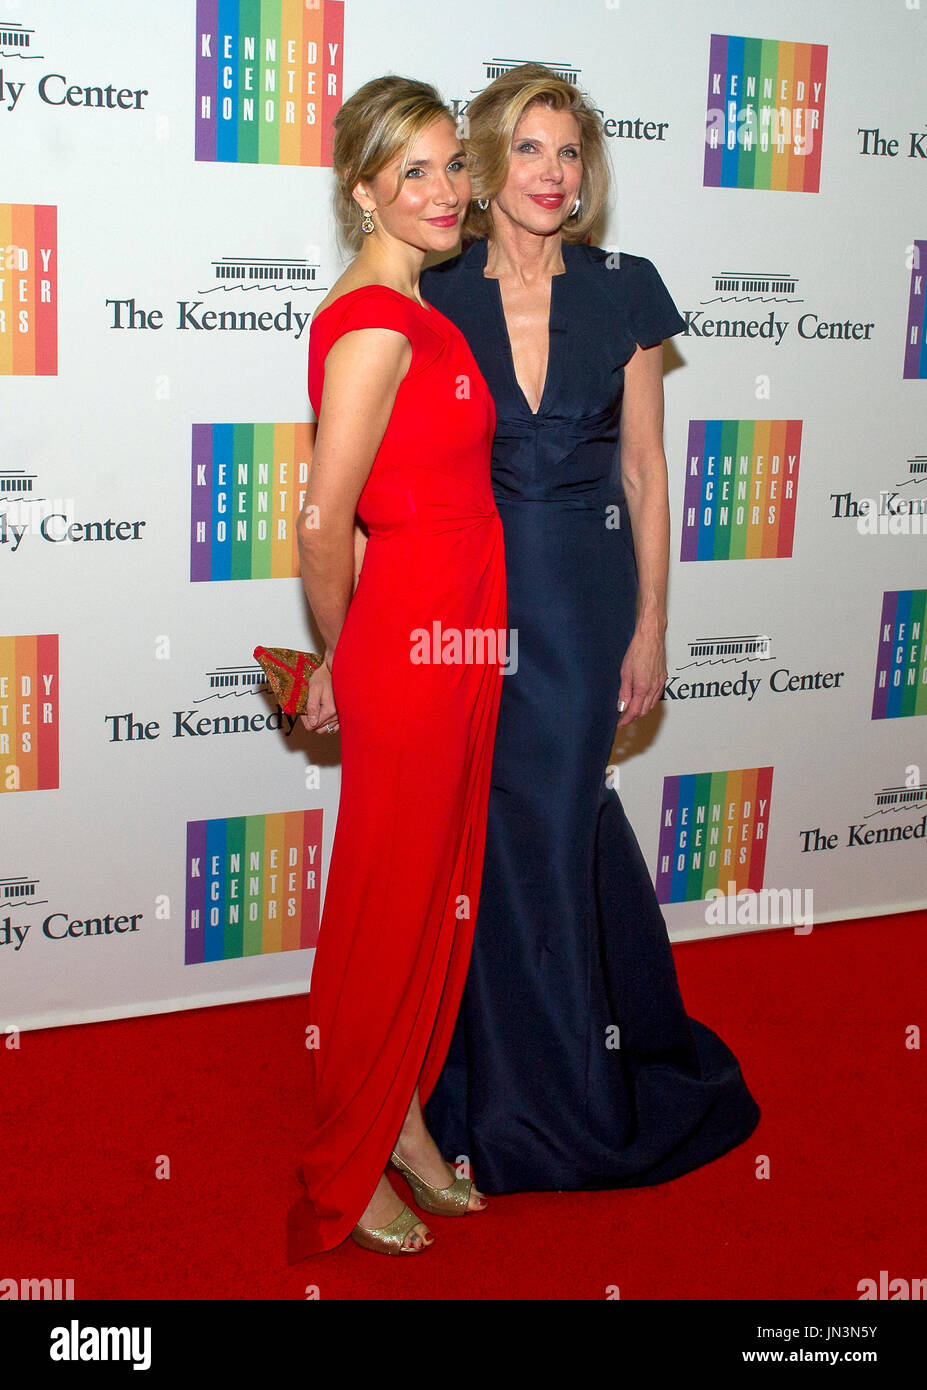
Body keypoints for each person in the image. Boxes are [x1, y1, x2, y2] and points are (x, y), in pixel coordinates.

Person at [420, 64, 761, 1194]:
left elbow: (650, 471)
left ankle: (562, 1098)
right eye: (527, 148)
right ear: (484, 165)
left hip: (578, 593)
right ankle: (479, 1073)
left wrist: (654, 622)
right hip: (468, 594)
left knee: (548, 817)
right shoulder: (437, 291)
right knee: (488, 832)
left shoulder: (626, 286)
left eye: (568, 152)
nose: (552, 173)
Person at [286, 75, 506, 1259]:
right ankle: (349, 1153)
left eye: (450, 166)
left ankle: (406, 1122)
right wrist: (346, 651)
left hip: (459, 628)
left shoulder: (428, 314)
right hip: (415, 646)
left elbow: (380, 507)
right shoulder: (375, 321)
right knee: (383, 908)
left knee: (431, 897)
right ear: (361, 188)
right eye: (409, 171)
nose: (441, 191)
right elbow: (325, 523)